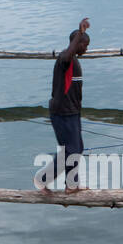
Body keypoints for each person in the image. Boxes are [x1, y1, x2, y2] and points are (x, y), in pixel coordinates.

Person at [44, 17, 90, 192]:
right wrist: (80, 34)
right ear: (76, 43)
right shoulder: (66, 59)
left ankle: (69, 184)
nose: (86, 48)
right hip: (62, 113)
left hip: (72, 112)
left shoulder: (74, 60)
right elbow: (67, 53)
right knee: (70, 151)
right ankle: (53, 182)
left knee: (76, 149)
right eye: (84, 45)